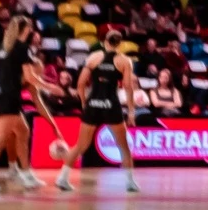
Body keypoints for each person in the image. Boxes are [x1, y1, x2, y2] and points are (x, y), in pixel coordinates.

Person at [52, 30, 141, 193]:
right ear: (119, 44)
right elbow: (128, 87)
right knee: (124, 147)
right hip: (111, 105)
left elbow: (80, 85)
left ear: (104, 42)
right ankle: (130, 183)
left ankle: (62, 178)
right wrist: (131, 111)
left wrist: (85, 104)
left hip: (93, 103)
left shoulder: (93, 57)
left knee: (80, 146)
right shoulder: (125, 61)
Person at [0, 15, 52, 193]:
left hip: (1, 95)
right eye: (30, 28)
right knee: (0, 139)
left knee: (23, 131)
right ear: (25, 30)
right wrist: (50, 86)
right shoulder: (22, 48)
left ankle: (26, 174)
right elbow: (29, 77)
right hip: (10, 96)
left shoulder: (0, 48)